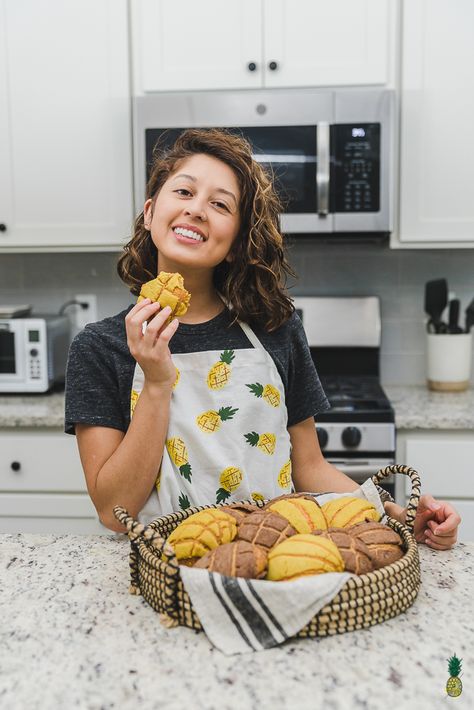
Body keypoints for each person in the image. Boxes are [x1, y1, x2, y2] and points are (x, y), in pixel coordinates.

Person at [65, 128, 461, 549]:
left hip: (271, 560)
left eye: (220, 204)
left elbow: (309, 468)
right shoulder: (99, 347)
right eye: (183, 192)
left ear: (236, 243)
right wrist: (158, 383)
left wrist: (397, 516)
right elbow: (113, 510)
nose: (197, 210)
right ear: (150, 212)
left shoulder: (277, 329)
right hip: (161, 573)